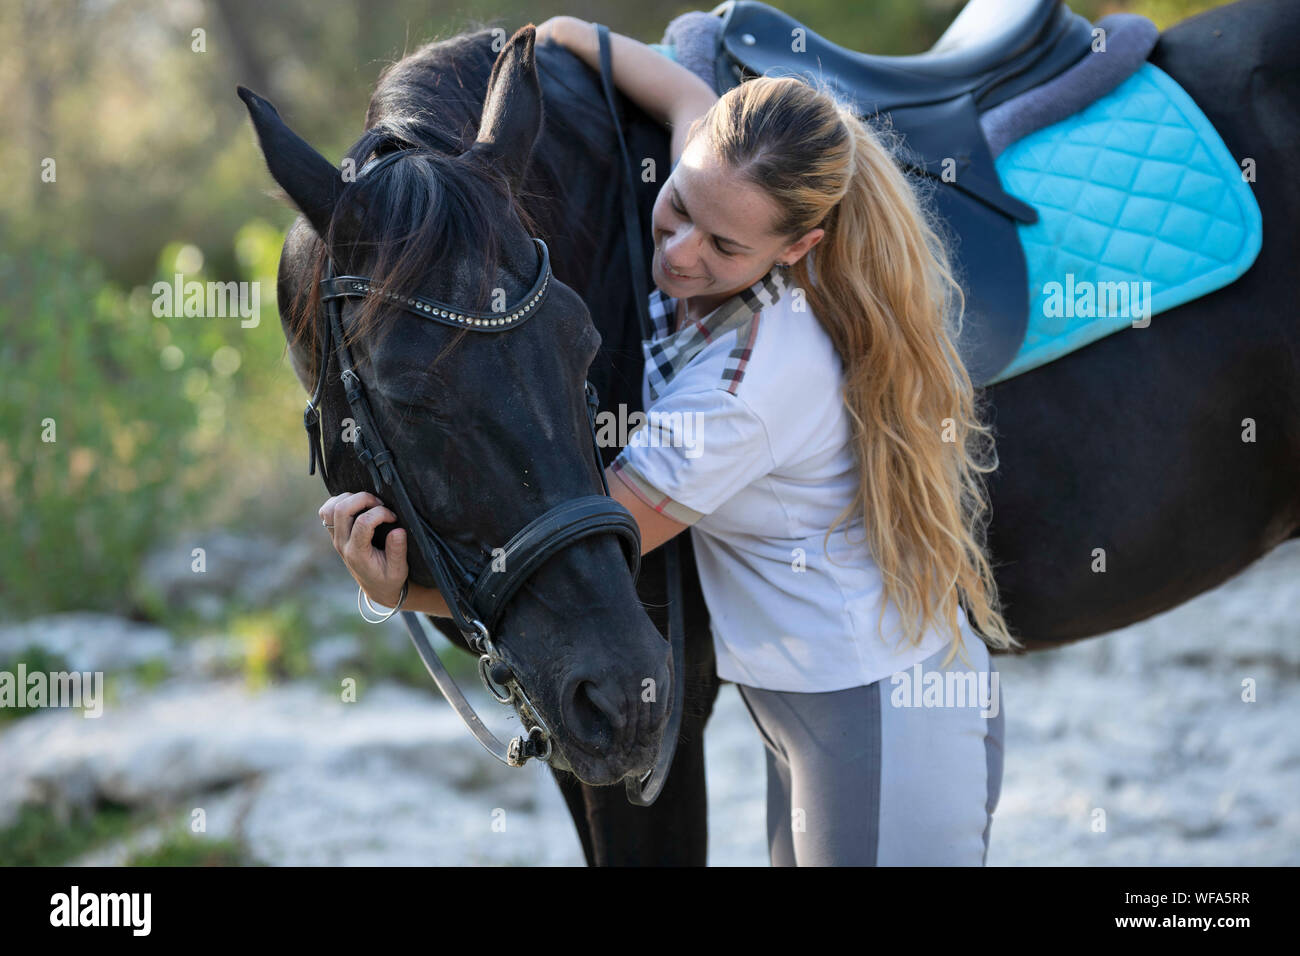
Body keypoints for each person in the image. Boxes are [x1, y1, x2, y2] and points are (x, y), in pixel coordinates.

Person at [319, 17, 1021, 866]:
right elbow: (686, 95)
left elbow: (588, 554)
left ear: (797, 248)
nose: (680, 253)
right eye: (679, 207)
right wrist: (566, 33)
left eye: (723, 246)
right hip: (803, 700)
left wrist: (395, 593)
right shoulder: (720, 175)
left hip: (874, 704)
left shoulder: (750, 386)